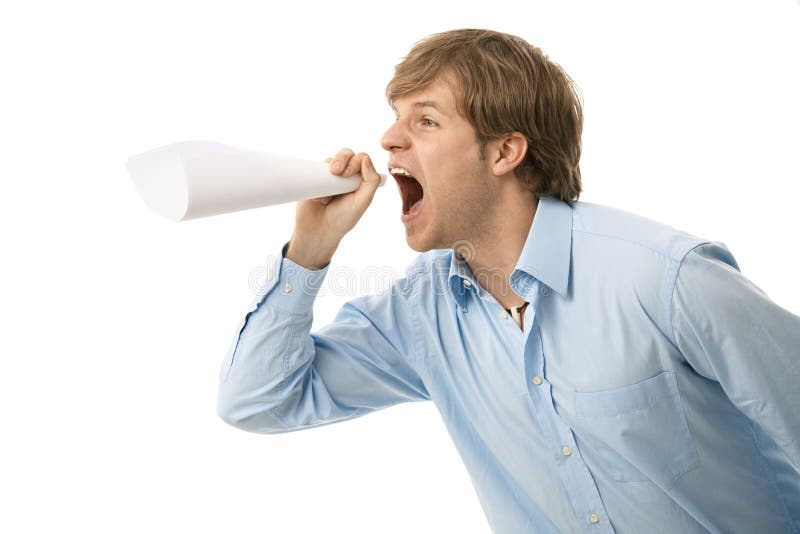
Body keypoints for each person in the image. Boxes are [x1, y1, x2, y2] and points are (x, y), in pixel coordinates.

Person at [217, 29, 800, 533]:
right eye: (395, 117)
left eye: (425, 120)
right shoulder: (421, 314)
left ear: (504, 152)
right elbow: (259, 401)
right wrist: (309, 252)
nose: (389, 139)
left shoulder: (665, 279)